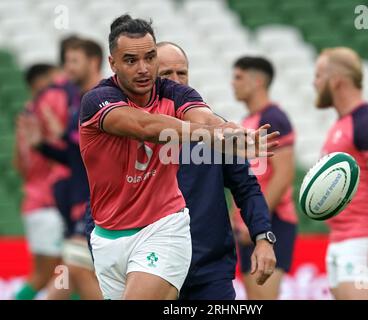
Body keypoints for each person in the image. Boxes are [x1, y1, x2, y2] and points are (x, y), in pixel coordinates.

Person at [79, 14, 278, 300]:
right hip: (112, 241)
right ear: (113, 64)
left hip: (186, 249)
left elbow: (212, 126)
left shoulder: (179, 98)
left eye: (150, 59)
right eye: (132, 61)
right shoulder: (97, 101)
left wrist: (227, 131)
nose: (144, 69)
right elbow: (145, 127)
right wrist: (213, 134)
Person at [156, 42, 276, 300]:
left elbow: (247, 188)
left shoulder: (218, 133)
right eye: (166, 74)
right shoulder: (136, 131)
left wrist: (263, 237)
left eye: (182, 73)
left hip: (210, 271)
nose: (177, 81)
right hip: (155, 269)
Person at [313, 47, 368, 300]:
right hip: (344, 236)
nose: (314, 82)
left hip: (364, 238)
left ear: (337, 80)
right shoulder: (342, 124)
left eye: (319, 76)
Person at [22, 39, 104, 300]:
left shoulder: (106, 100)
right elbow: (74, 158)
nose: (67, 68)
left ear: (93, 62)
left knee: (75, 270)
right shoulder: (77, 104)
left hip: (100, 200)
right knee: (70, 272)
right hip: (79, 198)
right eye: (66, 61)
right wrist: (44, 146)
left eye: (73, 61)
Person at [232, 56, 298, 300]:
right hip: (250, 223)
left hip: (271, 220)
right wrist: (236, 218)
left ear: (258, 81)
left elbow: (283, 174)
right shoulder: (247, 121)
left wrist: (256, 222)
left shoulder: (274, 118)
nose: (233, 83)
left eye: (238, 77)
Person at [13, 64, 65, 300]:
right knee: (48, 273)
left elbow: (19, 165)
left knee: (67, 270)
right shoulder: (45, 111)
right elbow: (62, 148)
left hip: (34, 201)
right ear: (40, 83)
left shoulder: (25, 115)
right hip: (48, 202)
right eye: (54, 80)